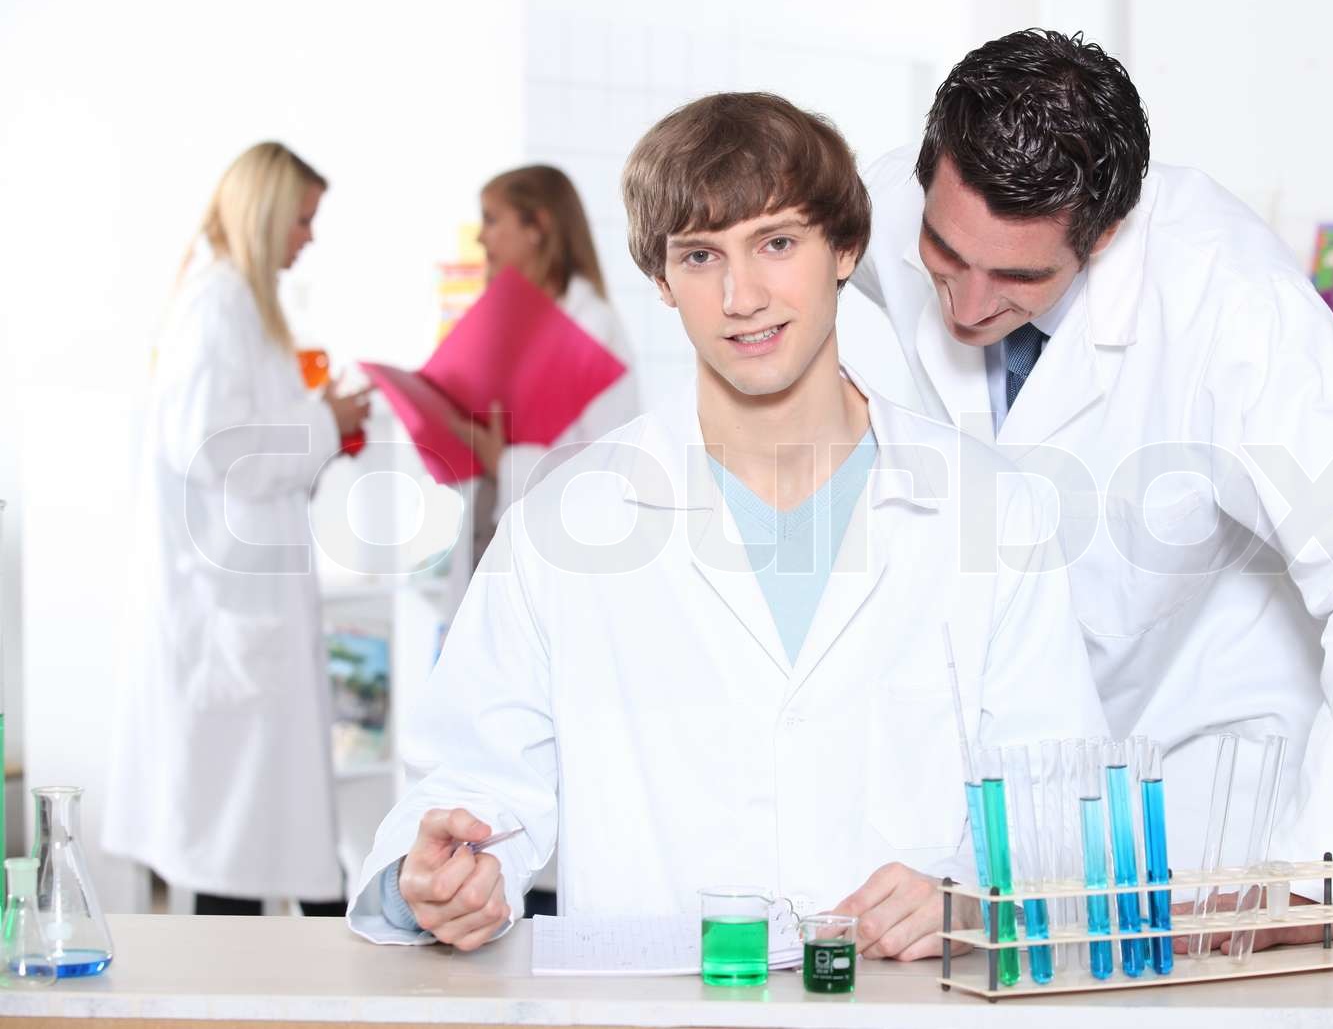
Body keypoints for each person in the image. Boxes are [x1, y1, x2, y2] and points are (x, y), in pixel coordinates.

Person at [347, 93, 1108, 957]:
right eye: (701, 255)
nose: (742, 295)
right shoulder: (564, 525)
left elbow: (1063, 807)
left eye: (777, 243)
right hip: (652, 1010)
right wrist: (443, 880)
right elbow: (467, 784)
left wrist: (974, 902)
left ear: (844, 250)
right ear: (663, 280)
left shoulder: (990, 510)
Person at [848, 29, 1333, 951]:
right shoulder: (882, 212)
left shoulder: (1231, 299)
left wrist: (1321, 878)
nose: (967, 306)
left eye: (1019, 275)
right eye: (945, 252)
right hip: (990, 791)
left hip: (1202, 783)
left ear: (1104, 232)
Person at [104, 141, 370, 915]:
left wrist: (323, 429)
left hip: (240, 600)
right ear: (265, 212)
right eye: (302, 218)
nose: (308, 238)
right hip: (223, 609)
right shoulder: (217, 303)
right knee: (233, 840)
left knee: (249, 833)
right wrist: (322, 419)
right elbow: (214, 448)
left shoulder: (240, 304)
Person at [447, 165, 640, 527]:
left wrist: (505, 463)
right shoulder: (509, 325)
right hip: (491, 522)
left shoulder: (593, 328)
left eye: (491, 220)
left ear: (537, 226)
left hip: (558, 538)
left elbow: (609, 465)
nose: (480, 238)